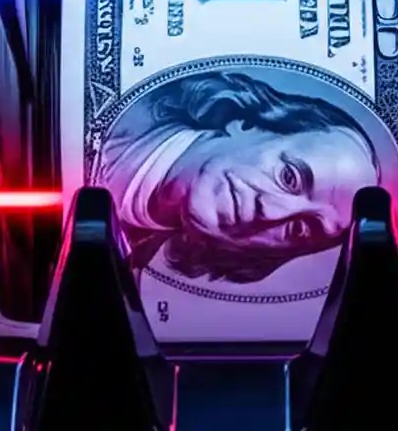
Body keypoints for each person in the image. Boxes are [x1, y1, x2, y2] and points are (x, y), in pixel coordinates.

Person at [92, 70, 381, 284]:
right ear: (245, 124)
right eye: (288, 177)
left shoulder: (124, 275)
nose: (271, 212)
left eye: (300, 230)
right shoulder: (113, 110)